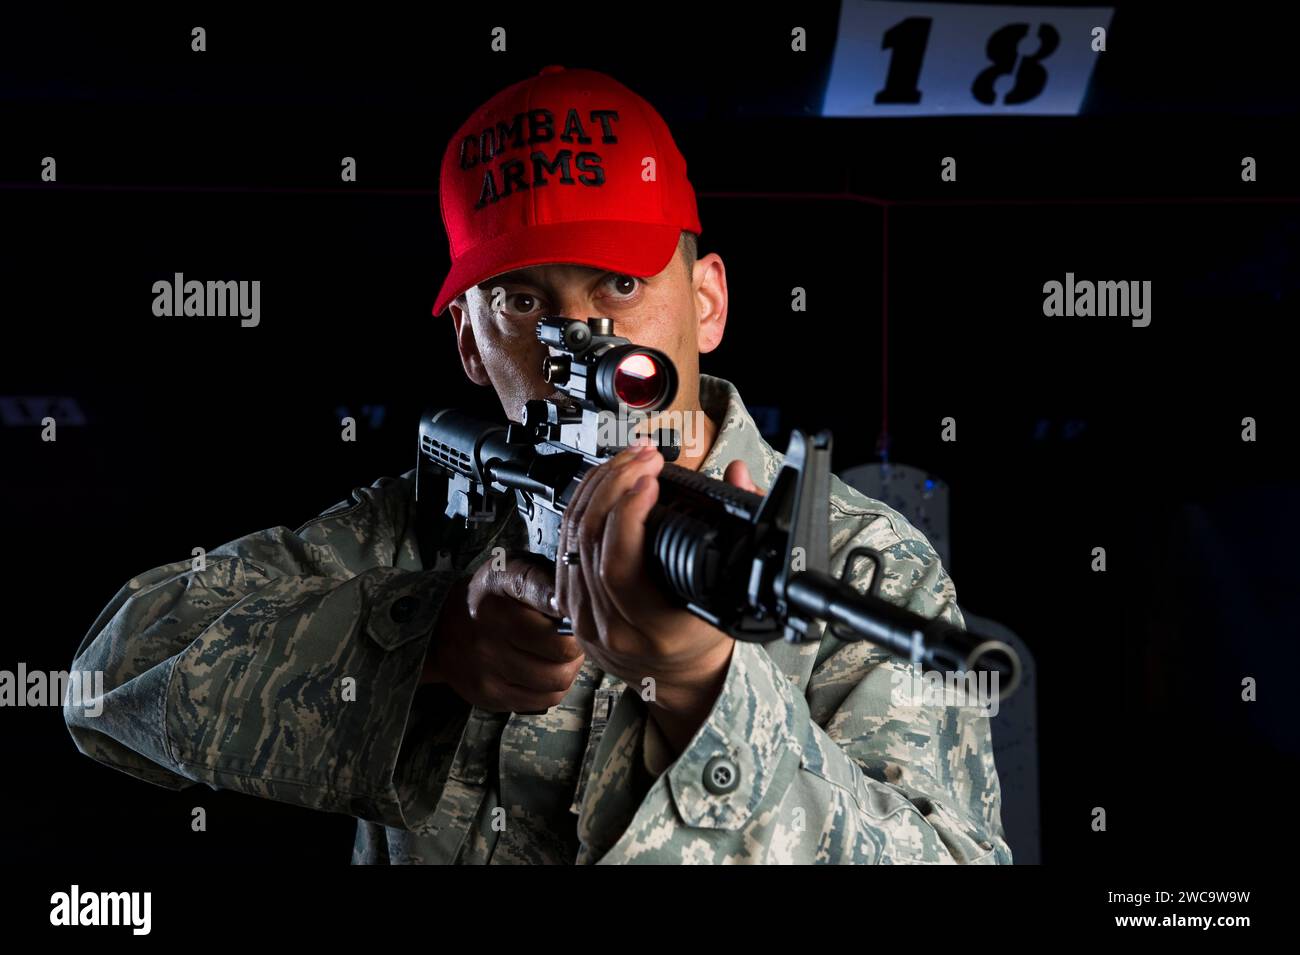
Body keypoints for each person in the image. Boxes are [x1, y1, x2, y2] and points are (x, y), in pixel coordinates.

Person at [64, 66, 1011, 865]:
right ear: (471, 345)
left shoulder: (859, 565)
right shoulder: (418, 530)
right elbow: (107, 686)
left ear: (709, 300)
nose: (580, 340)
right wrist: (424, 644)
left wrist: (702, 687)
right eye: (521, 302)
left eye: (623, 285)